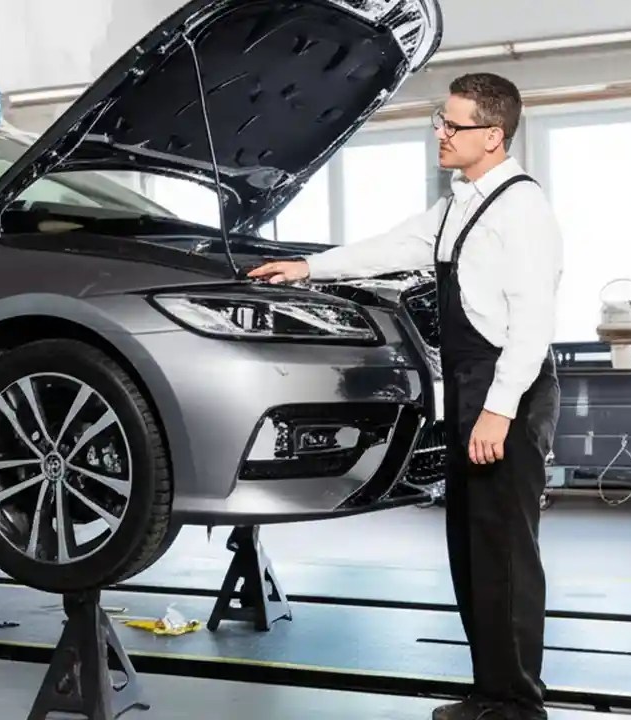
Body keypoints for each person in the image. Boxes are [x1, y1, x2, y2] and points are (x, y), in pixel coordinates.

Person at [248, 72, 564, 720]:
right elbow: (394, 247)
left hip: (510, 388)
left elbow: (532, 327)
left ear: (493, 135)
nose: (440, 134)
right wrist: (308, 267)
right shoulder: (462, 203)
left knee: (505, 554)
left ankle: (518, 705)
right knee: (471, 550)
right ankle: (488, 692)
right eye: (440, 121)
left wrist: (498, 413)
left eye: (454, 125)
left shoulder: (523, 210)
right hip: (472, 386)